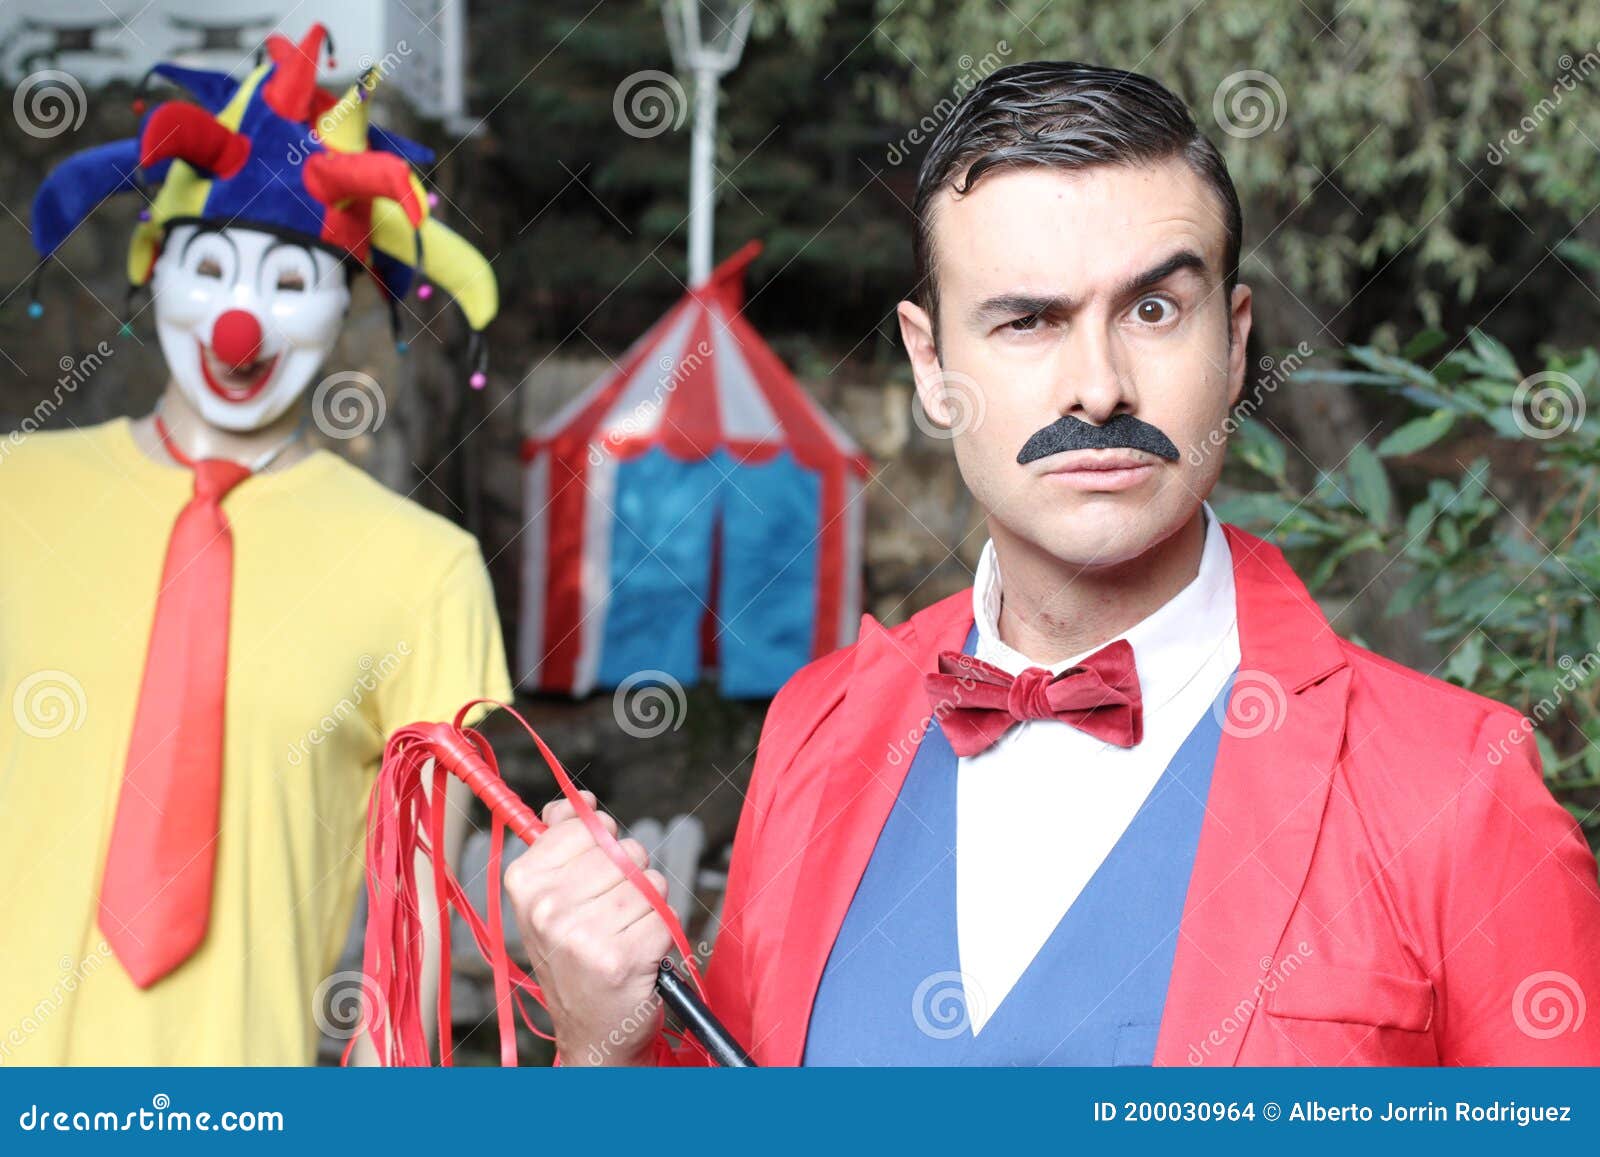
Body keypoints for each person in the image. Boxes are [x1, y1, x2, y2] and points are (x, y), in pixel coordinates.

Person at [505, 60, 1600, 1066]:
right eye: (1028, 319)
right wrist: (602, 1046)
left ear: (1234, 345)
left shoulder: (1456, 791)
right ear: (932, 366)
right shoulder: (817, 729)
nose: (1099, 387)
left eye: (1155, 310)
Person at [0, 24, 510, 1064]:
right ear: (152, 271)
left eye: (290, 284)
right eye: (214, 268)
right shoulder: (13, 494)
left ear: (345, 306)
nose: (244, 324)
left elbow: (405, 961)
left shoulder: (426, 571)